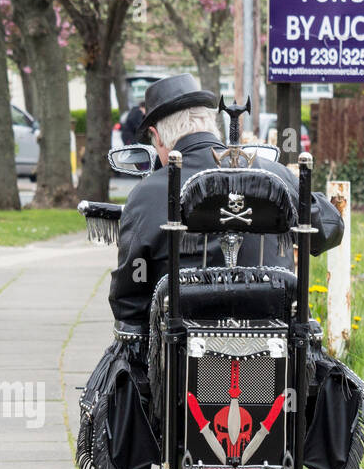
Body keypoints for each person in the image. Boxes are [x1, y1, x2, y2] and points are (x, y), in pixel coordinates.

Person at [108, 73, 344, 328]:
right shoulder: (272, 175)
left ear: (158, 136)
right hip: (273, 345)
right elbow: (329, 230)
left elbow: (128, 300)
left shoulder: (148, 192)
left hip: (182, 352)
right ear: (212, 123)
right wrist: (305, 197)